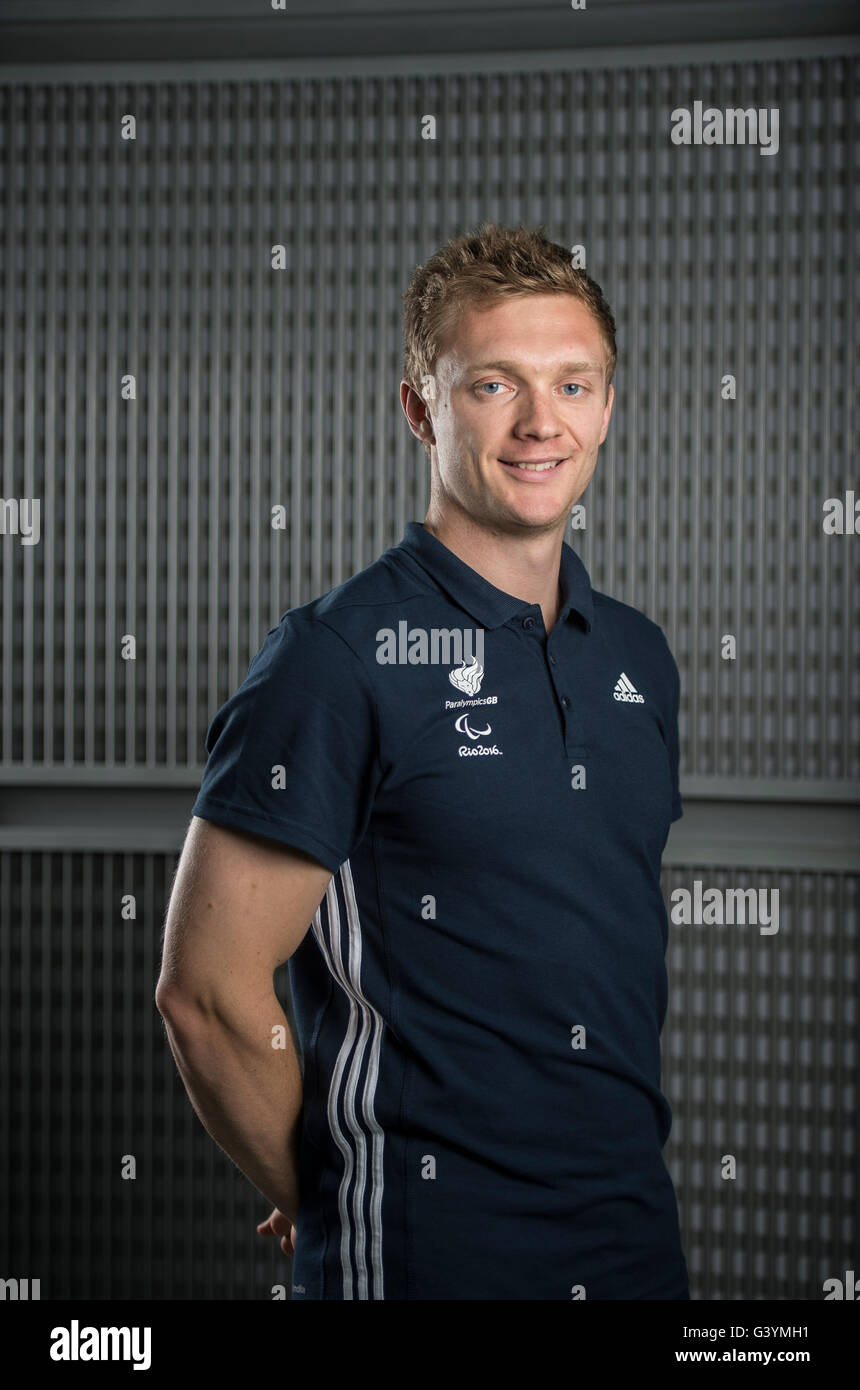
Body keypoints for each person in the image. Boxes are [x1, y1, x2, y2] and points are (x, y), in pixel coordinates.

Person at [157, 222, 689, 1300]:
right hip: (425, 1259)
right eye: (493, 384)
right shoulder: (335, 658)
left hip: (633, 1244)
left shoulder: (636, 654)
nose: (542, 421)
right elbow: (206, 993)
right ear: (420, 408)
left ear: (606, 406)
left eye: (573, 384)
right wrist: (326, 1191)